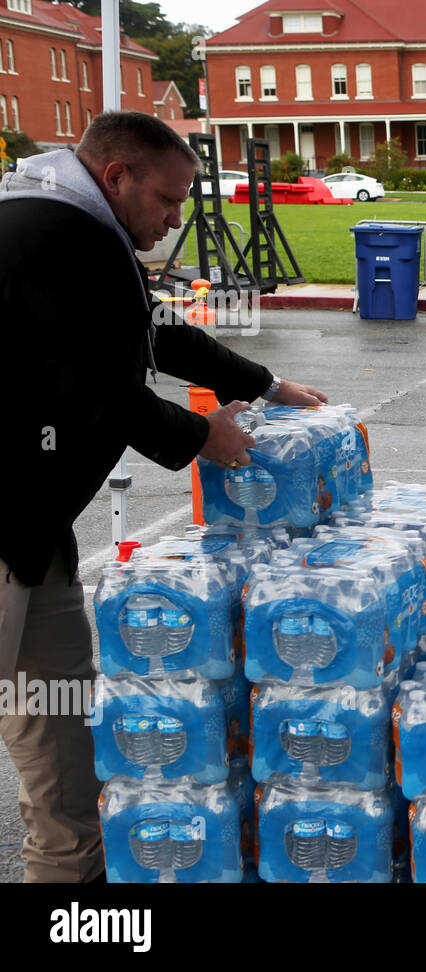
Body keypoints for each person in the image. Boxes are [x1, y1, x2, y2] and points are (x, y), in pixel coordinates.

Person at [0, 110, 326, 882]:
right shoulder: (54, 236)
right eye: (169, 202)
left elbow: (155, 331)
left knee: (54, 713)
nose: (176, 221)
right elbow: (90, 388)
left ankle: (69, 874)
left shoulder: (77, 223)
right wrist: (203, 436)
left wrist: (268, 385)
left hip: (34, 529)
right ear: (119, 177)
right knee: (41, 706)